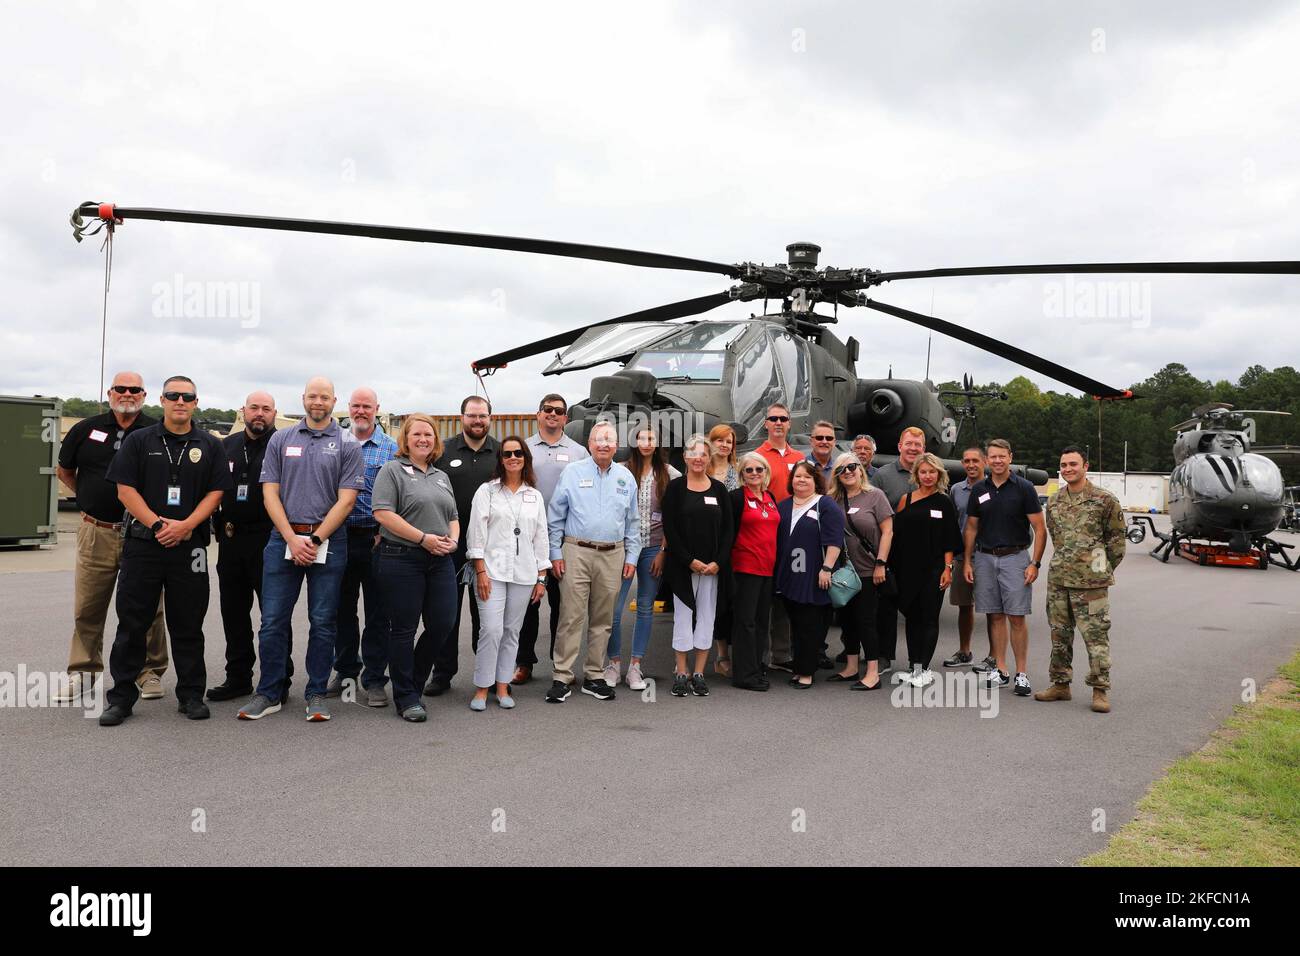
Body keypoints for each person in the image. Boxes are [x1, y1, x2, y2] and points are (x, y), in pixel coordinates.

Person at [98, 377, 232, 726]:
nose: (180, 401)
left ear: (196, 402)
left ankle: (190, 695)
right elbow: (125, 491)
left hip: (191, 547)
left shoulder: (210, 445)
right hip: (144, 544)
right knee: (132, 622)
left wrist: (186, 525)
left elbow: (216, 493)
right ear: (162, 399)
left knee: (188, 623)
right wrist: (159, 525)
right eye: (173, 395)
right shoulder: (140, 441)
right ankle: (122, 698)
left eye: (187, 397)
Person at [237, 377, 364, 722]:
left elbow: (347, 500)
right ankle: (269, 691)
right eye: (312, 396)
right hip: (283, 539)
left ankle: (316, 693)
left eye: (324, 397)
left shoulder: (348, 443)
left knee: (323, 622)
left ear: (334, 400)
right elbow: (269, 493)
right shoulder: (281, 439)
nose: (318, 401)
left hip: (328, 542)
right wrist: (291, 538)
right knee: (272, 620)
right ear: (303, 399)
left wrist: (316, 539)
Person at [55, 371, 169, 704]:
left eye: (135, 389)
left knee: (147, 608)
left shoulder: (154, 432)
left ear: (144, 395)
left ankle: (148, 673)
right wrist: (88, 500)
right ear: (110, 392)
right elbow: (65, 470)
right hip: (97, 532)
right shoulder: (85, 429)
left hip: (141, 533)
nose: (128, 394)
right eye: (121, 388)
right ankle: (83, 672)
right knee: (88, 606)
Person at [371, 415, 460, 722]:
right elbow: (383, 514)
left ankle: (413, 682)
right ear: (406, 440)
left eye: (429, 434)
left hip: (440, 560)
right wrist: (423, 539)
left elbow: (453, 516)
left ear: (435, 440)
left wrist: (453, 541)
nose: (423, 439)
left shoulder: (440, 476)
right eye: (417, 434)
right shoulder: (392, 470)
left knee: (443, 624)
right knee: (404, 630)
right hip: (402, 558)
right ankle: (406, 696)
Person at [545, 421, 639, 703]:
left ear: (616, 445)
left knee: (603, 619)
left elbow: (633, 522)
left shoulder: (626, 478)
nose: (604, 444)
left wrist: (632, 556)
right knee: (571, 616)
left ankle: (595, 675)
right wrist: (555, 553)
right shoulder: (572, 473)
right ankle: (562, 676)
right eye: (599, 439)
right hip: (577, 551)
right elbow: (556, 516)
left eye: (609, 440)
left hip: (613, 554)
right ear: (589, 444)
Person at [209, 391, 293, 702]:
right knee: (233, 613)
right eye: (254, 408)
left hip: (268, 538)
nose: (259, 414)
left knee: (273, 615)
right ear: (243, 410)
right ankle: (238, 678)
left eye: (266, 409)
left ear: (274, 413)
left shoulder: (284, 445)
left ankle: (279, 678)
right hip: (230, 540)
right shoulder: (226, 446)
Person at [1035, 446, 1125, 714]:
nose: (1067, 469)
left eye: (1073, 464)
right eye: (1063, 465)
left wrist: (1099, 569)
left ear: (1085, 466)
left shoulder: (1104, 500)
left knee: (1095, 637)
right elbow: (1056, 536)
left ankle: (1100, 689)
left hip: (1092, 585)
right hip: (1060, 580)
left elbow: (1117, 542)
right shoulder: (1054, 501)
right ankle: (1060, 684)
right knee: (1059, 635)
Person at [466, 436, 550, 712]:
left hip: (524, 573)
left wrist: (541, 577)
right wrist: (480, 570)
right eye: (507, 454)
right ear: (500, 459)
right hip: (491, 570)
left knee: (512, 631)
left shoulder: (534, 495)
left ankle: (502, 685)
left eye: (518, 453)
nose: (513, 457)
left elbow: (541, 537)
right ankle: (482, 687)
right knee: (491, 629)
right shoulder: (487, 491)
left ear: (525, 457)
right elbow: (476, 532)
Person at [425, 396, 500, 696]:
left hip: (489, 549)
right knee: (447, 613)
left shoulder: (500, 452)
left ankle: (487, 673)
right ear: (462, 417)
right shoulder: (442, 450)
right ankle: (443, 673)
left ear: (490, 418)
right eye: (472, 415)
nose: (477, 421)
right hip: (449, 545)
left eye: (482, 416)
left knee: (486, 614)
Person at [327, 387, 397, 706]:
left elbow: (399, 495)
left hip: (376, 538)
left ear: (377, 410)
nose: (360, 411)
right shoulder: (335, 444)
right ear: (347, 409)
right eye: (355, 406)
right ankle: (345, 671)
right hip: (340, 536)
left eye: (366, 406)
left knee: (379, 612)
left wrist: (386, 530)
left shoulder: (391, 449)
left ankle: (374, 678)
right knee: (342, 610)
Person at [962, 438, 1047, 696]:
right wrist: (967, 561)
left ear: (1010, 457)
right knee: (994, 616)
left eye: (1002, 456)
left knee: (1016, 617)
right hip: (985, 558)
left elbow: (1040, 528)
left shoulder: (1024, 488)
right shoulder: (979, 490)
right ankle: (1001, 669)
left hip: (1015, 557)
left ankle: (1021, 673)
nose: (997, 461)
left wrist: (1035, 563)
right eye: (993, 457)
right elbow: (972, 528)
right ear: (987, 460)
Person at [515, 394, 589, 684]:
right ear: (538, 414)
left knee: (563, 605)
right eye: (548, 410)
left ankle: (561, 664)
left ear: (566, 418)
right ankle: (524, 663)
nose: (553, 415)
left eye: (559, 411)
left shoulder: (579, 452)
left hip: (563, 538)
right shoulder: (523, 448)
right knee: (527, 602)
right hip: (528, 535)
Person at [604, 426, 678, 691]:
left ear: (658, 443)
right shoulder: (620, 469)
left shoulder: (670, 474)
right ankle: (613, 664)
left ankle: (635, 666)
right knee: (613, 609)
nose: (647, 443)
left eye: (651, 438)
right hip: (624, 548)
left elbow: (673, 517)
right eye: (642, 438)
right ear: (634, 442)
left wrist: (663, 551)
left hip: (653, 549)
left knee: (645, 607)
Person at [661, 434, 734, 698]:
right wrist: (689, 560)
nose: (698, 458)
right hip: (684, 567)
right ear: (685, 457)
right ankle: (682, 671)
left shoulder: (718, 489)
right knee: (682, 617)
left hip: (712, 569)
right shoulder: (676, 488)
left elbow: (728, 531)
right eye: (693, 453)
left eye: (703, 454)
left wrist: (717, 562)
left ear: (709, 457)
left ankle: (700, 673)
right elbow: (670, 528)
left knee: (706, 617)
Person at [888, 453, 961, 688]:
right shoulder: (905, 500)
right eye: (923, 472)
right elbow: (895, 535)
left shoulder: (944, 501)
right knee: (911, 615)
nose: (928, 476)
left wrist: (947, 568)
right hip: (907, 568)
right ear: (916, 474)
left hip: (934, 568)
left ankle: (925, 668)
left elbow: (950, 538)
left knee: (929, 617)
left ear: (939, 474)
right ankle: (914, 665)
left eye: (932, 472)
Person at [774, 460, 845, 688]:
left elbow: (835, 541)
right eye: (797, 476)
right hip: (788, 575)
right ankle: (799, 667)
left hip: (814, 575)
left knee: (810, 625)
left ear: (816, 480)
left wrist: (827, 568)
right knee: (796, 623)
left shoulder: (825, 505)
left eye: (807, 476)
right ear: (791, 480)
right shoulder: (783, 506)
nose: (801, 480)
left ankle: (806, 672)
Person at [829, 452, 893, 690]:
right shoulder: (832, 499)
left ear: (860, 469)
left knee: (866, 621)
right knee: (847, 622)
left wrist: (881, 563)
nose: (847, 472)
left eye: (852, 467)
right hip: (843, 573)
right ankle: (851, 667)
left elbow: (887, 532)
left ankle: (873, 673)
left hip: (868, 570)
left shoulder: (875, 496)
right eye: (841, 469)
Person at [872, 425, 926, 675]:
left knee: (917, 607)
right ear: (899, 446)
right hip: (890, 550)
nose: (913, 448)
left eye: (917, 445)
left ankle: (918, 661)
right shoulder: (883, 475)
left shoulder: (930, 473)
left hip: (919, 553)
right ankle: (884, 655)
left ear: (923, 448)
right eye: (909, 444)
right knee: (886, 605)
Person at [755, 402, 803, 672]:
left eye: (783, 418)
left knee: (786, 596)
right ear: (766, 423)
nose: (778, 423)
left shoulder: (799, 457)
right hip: (764, 533)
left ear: (789, 423)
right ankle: (759, 655)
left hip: (793, 535)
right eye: (772, 418)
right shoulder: (757, 456)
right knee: (763, 596)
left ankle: (781, 654)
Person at [728, 453, 780, 690]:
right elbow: (727, 533)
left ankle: (757, 668)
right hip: (745, 568)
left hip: (767, 569)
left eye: (759, 469)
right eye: (749, 470)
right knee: (745, 622)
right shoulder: (737, 497)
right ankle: (744, 675)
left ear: (765, 472)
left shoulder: (770, 497)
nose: (755, 474)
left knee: (761, 622)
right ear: (742, 474)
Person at [942, 445, 995, 671]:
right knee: (964, 606)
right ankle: (965, 652)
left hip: (987, 555)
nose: (971, 465)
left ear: (984, 461)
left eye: (975, 460)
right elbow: (953, 523)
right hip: (963, 557)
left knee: (993, 608)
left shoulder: (994, 488)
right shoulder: (956, 489)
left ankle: (994, 655)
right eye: (966, 461)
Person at [805, 420, 838, 486]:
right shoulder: (801, 465)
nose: (824, 441)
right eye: (819, 438)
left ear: (834, 442)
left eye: (829, 438)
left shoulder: (839, 468)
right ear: (811, 441)